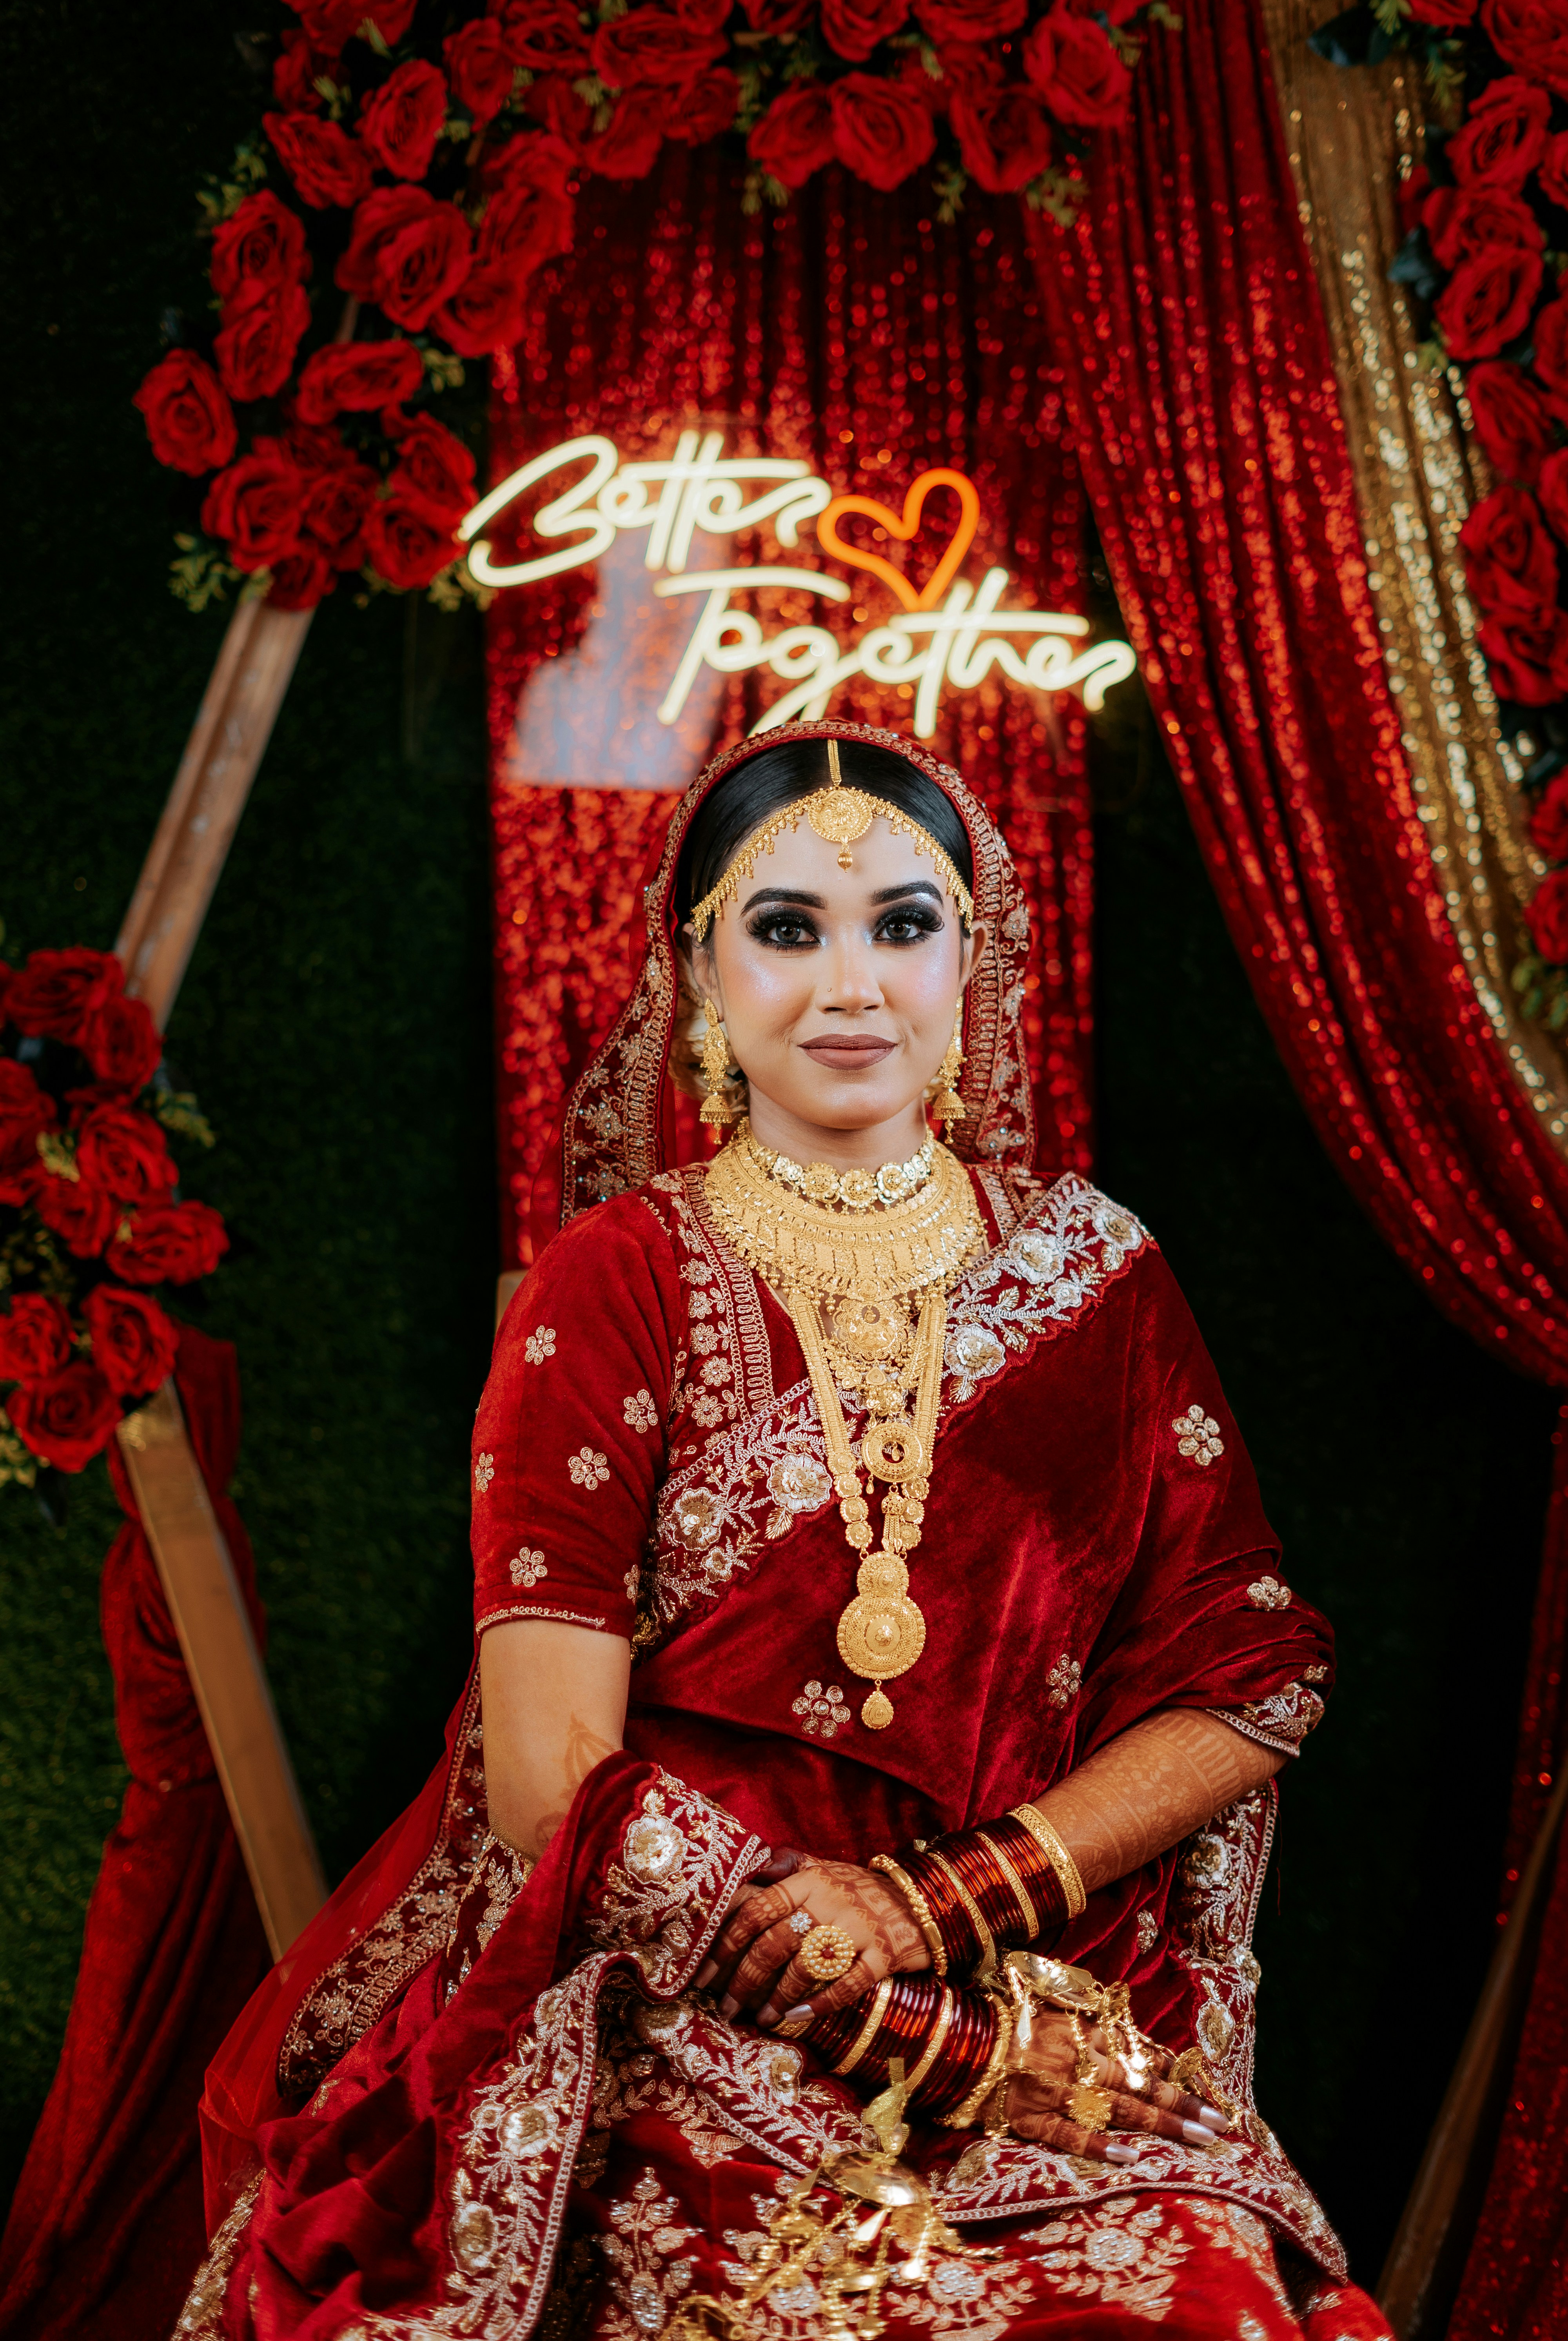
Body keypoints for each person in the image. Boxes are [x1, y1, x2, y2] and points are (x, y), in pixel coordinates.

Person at [177, 722, 1393, 2340]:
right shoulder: (614, 1280)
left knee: (1208, 2296)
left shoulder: (1097, 1279)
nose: (849, 984)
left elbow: (1247, 1680)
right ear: (698, 978)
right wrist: (903, 2026)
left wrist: (937, 1918)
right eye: (785, 927)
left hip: (1028, 1980)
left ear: (975, 959)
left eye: (902, 924)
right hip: (680, 1984)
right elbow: (550, 1779)